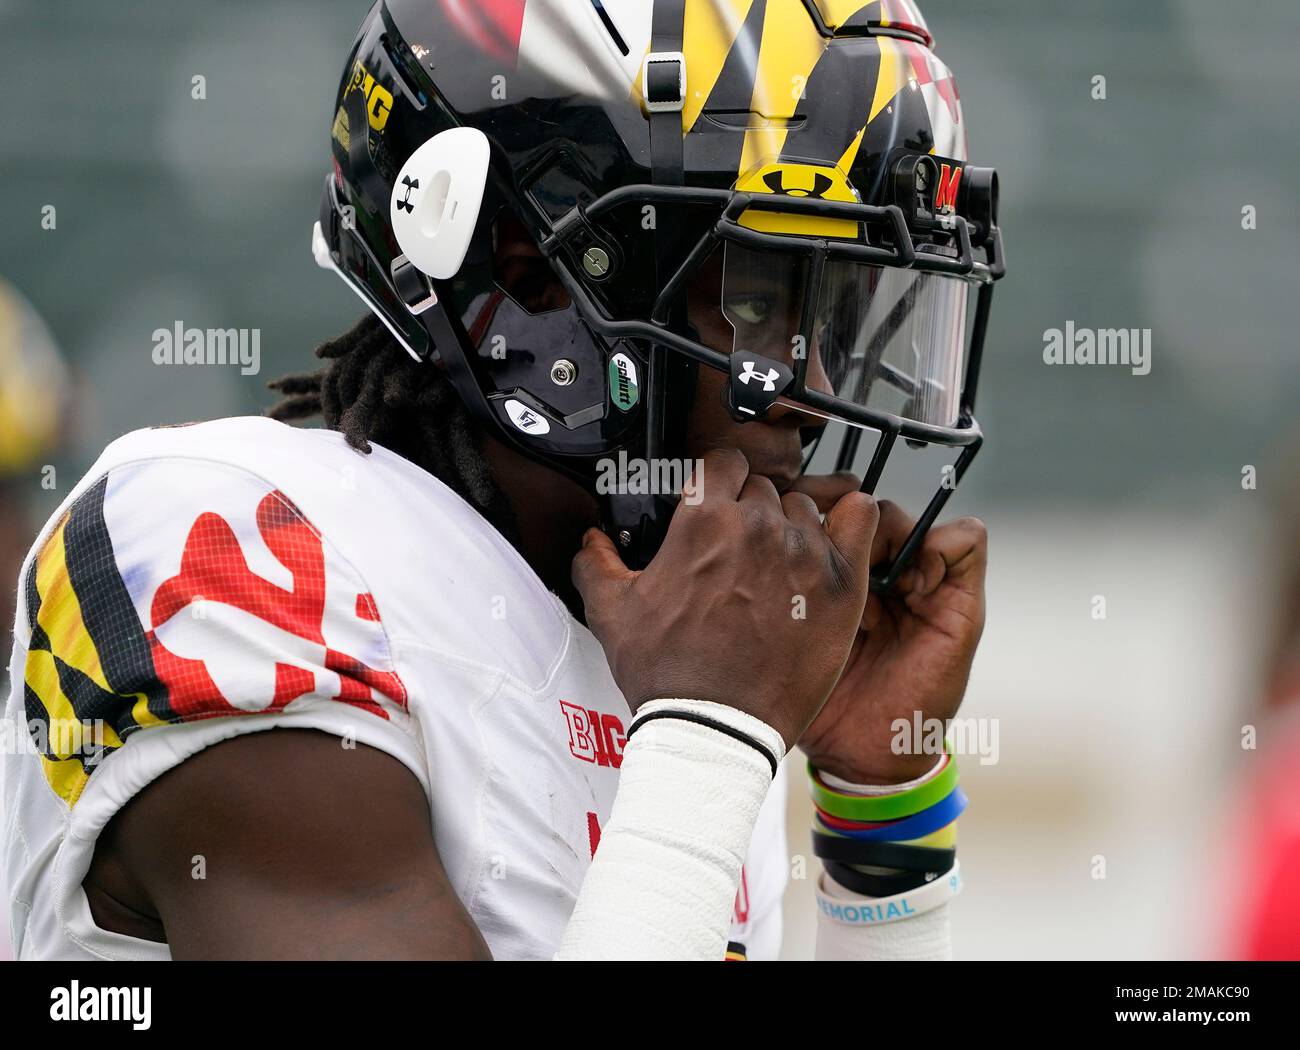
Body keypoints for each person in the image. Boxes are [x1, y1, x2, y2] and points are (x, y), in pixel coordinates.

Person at [3, 0, 1002, 960]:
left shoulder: (676, 656)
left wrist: (881, 812)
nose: (814, 394)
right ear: (527, 278)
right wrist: (708, 729)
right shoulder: (231, 541)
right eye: (766, 301)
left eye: (838, 315)